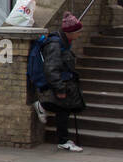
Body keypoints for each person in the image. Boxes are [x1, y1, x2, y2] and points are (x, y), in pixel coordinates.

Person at [32, 12, 86, 152]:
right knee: (63, 109)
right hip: (60, 82)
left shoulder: (63, 42)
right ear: (70, 32)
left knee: (65, 109)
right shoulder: (56, 45)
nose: (79, 34)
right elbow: (51, 68)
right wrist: (59, 88)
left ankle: (63, 140)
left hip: (65, 81)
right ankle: (42, 105)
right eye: (78, 31)